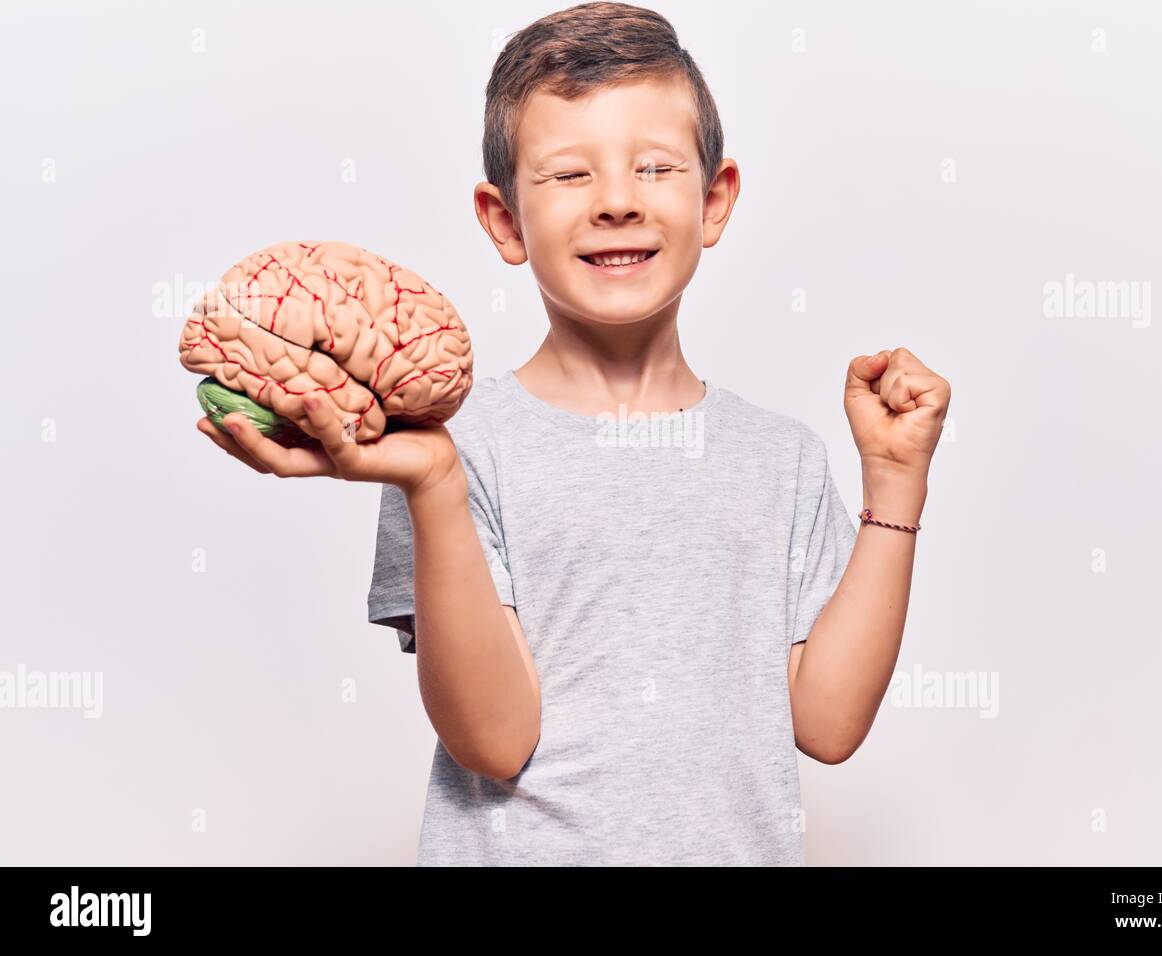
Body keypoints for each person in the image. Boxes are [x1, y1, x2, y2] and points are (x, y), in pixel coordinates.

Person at [198, 1, 951, 866]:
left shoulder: (782, 458)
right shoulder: (452, 445)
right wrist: (434, 485)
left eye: (656, 168)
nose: (619, 203)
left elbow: (825, 724)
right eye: (569, 176)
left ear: (715, 201)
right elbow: (495, 741)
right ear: (505, 219)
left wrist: (894, 484)